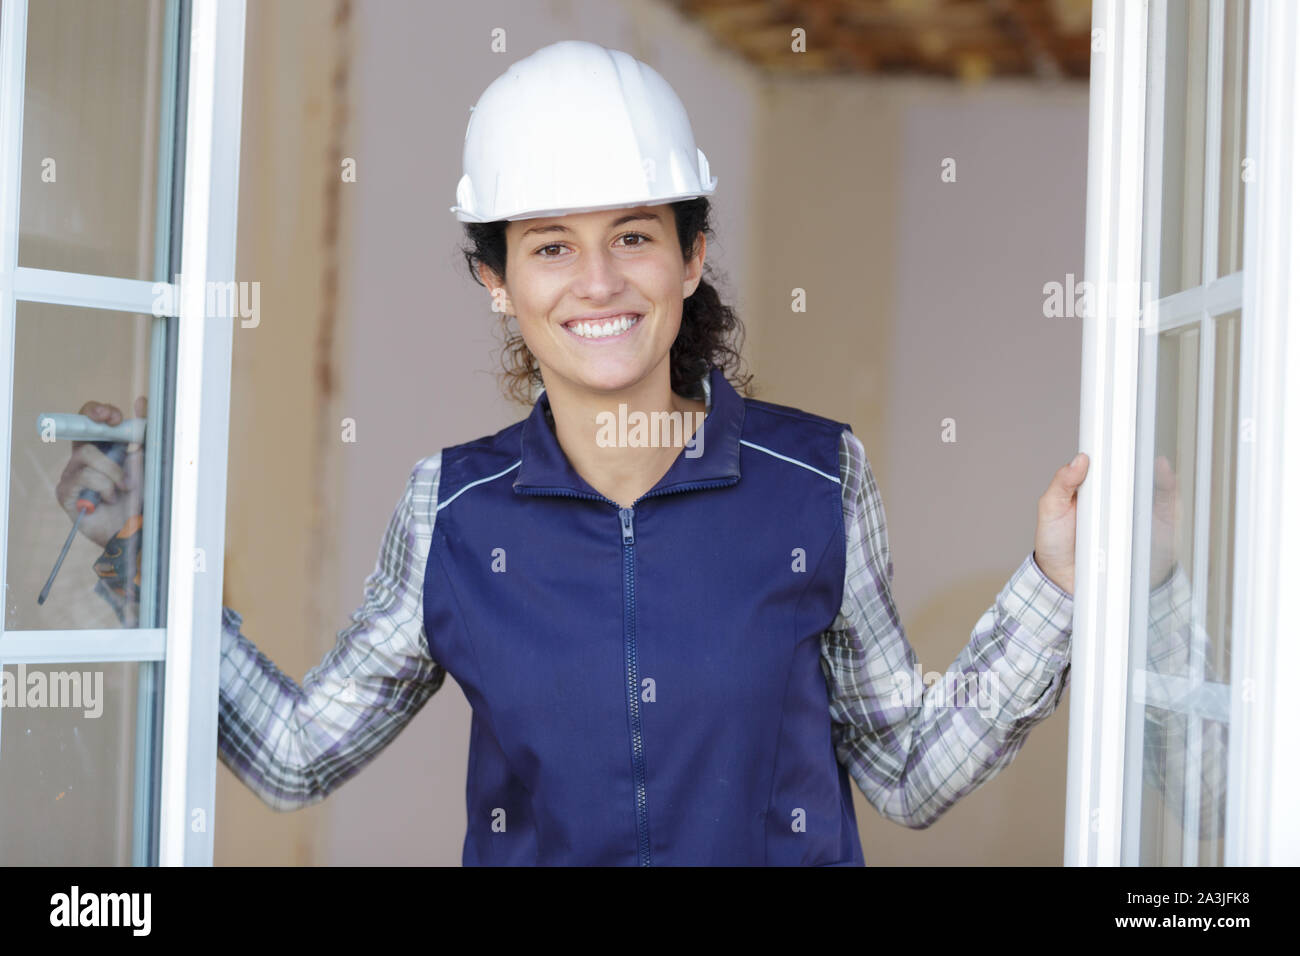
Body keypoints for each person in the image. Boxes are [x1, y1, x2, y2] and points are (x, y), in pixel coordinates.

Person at [60, 39, 1143, 866]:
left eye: (632, 235)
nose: (596, 282)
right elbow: (297, 755)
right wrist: (142, 557)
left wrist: (1054, 582)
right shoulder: (455, 509)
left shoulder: (816, 478)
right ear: (496, 281)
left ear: (690, 256)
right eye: (547, 246)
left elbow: (907, 771)